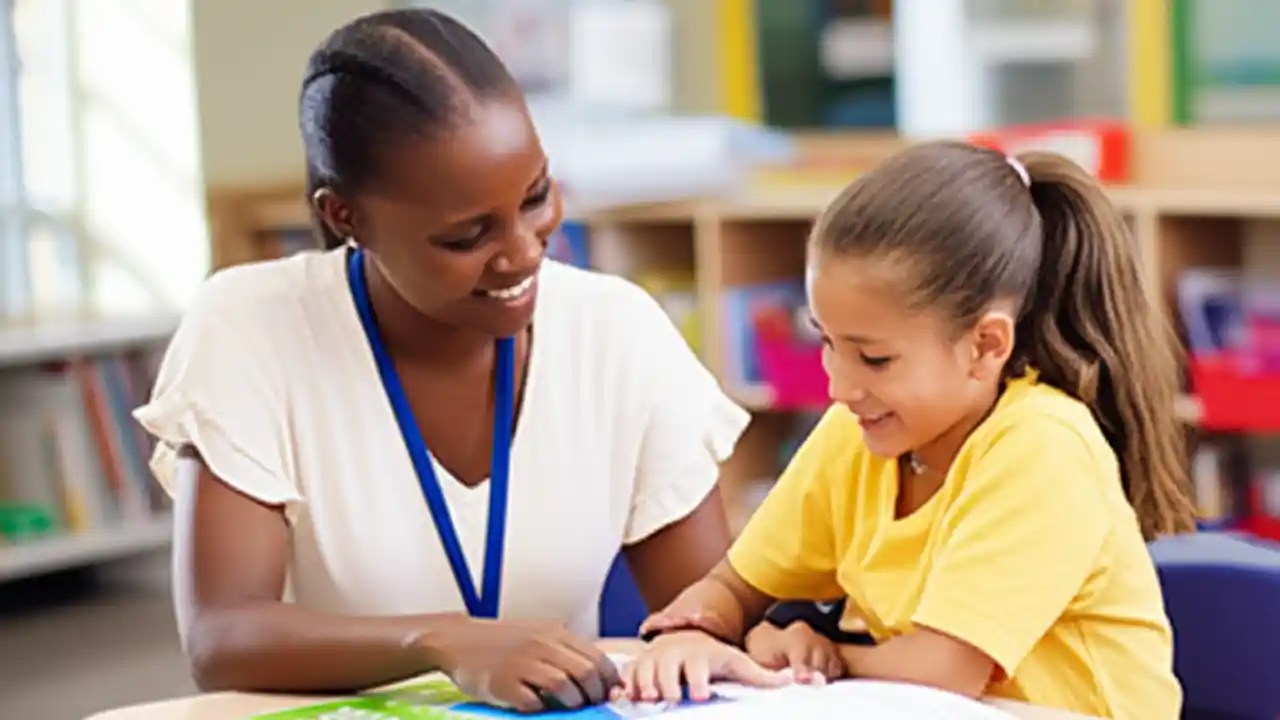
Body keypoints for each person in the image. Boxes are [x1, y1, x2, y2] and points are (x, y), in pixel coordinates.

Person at [132, 8, 749, 713]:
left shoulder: (620, 331)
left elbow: (708, 618)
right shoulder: (249, 327)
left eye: (536, 197)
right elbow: (222, 636)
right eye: (465, 237)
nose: (522, 252)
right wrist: (442, 641)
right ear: (345, 217)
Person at [619, 141, 1197, 720]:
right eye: (826, 342)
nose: (839, 387)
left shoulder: (1043, 445)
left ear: (985, 346)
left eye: (874, 360)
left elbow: (943, 673)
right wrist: (695, 634)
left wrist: (814, 657)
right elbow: (734, 588)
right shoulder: (861, 431)